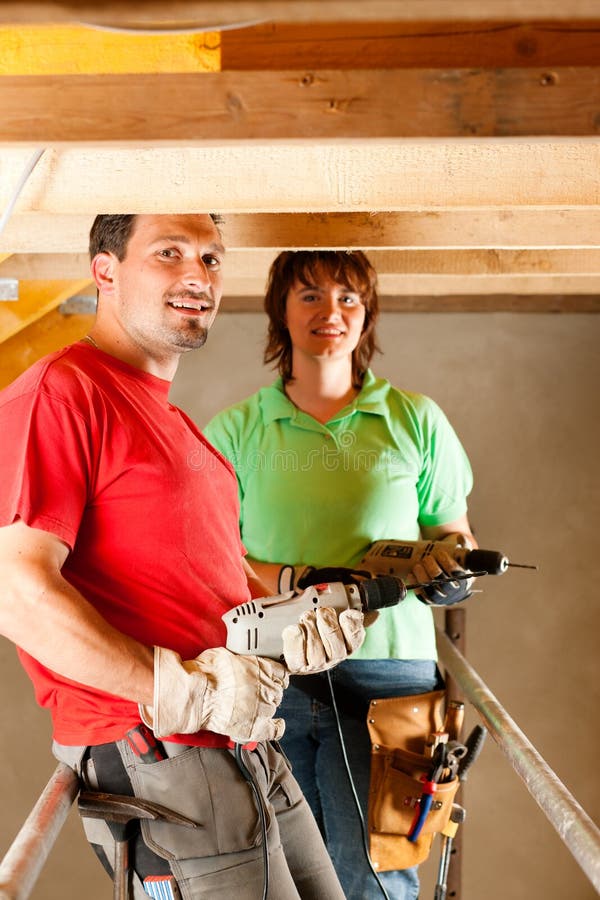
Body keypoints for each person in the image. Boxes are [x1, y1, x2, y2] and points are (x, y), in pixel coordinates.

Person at [0, 217, 367, 900]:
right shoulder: (63, 391)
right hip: (159, 755)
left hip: (244, 741)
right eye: (168, 254)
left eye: (210, 257)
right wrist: (178, 689)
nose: (197, 275)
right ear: (105, 270)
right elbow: (16, 592)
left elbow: (210, 582)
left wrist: (299, 624)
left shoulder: (171, 419)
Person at [204, 250, 478, 900]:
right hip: (274, 677)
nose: (331, 313)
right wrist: (293, 580)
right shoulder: (235, 432)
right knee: (276, 875)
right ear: (280, 312)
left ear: (367, 314)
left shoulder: (414, 420)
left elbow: (455, 534)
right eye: (310, 297)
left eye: (348, 299)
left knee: (376, 873)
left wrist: (452, 570)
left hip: (392, 678)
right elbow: (211, 556)